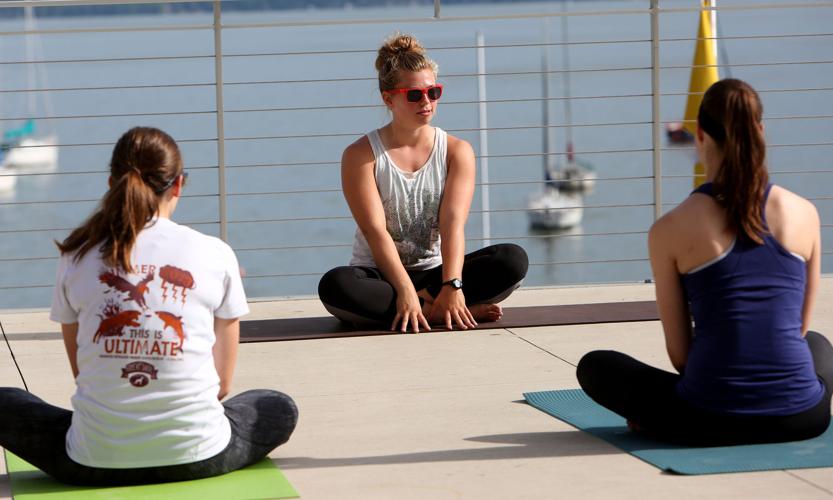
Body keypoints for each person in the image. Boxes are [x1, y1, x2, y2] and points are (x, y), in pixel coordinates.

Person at [0, 127, 297, 485]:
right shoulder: (215, 252)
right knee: (276, 405)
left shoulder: (77, 254)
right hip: (199, 456)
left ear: (111, 184)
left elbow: (82, 374)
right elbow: (222, 385)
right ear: (178, 184)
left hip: (93, 462)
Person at [576, 79, 833, 446]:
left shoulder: (669, 228)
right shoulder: (804, 212)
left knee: (595, 366)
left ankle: (663, 419)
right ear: (760, 131)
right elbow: (800, 330)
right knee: (819, 346)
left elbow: (681, 357)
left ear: (699, 134)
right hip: (804, 418)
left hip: (706, 421)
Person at [318, 33, 528, 333]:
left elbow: (452, 225)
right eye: (415, 95)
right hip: (381, 276)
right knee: (336, 285)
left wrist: (452, 284)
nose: (427, 102)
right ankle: (438, 313)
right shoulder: (360, 155)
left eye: (434, 92)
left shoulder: (456, 151)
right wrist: (404, 290)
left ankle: (436, 304)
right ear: (388, 98)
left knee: (512, 260)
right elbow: (375, 232)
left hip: (435, 276)